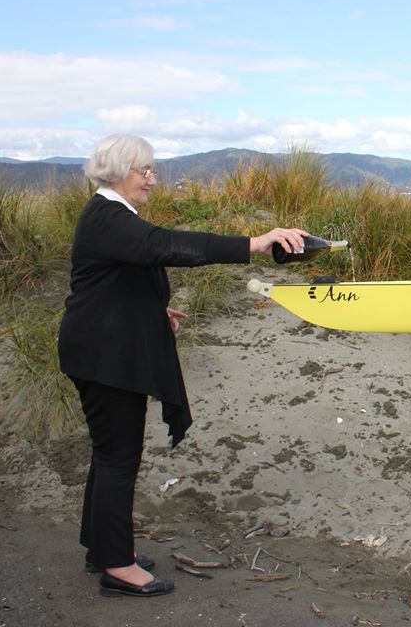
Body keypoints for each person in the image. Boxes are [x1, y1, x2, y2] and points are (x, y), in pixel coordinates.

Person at [58, 134, 307, 597]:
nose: (153, 179)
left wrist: (154, 309)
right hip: (104, 356)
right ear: (119, 172)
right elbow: (166, 246)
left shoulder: (112, 216)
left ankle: (103, 549)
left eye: (153, 170)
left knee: (109, 452)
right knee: (117, 456)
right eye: (145, 171)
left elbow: (118, 277)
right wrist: (254, 243)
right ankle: (117, 567)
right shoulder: (107, 216)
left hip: (103, 348)